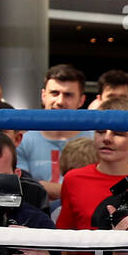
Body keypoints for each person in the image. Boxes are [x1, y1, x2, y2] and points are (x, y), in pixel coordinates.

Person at [56, 97, 128, 255]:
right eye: (100, 131)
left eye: (118, 133)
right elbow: (63, 240)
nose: (107, 138)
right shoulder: (74, 179)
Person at [17, 64, 92, 201]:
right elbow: (22, 188)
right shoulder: (23, 140)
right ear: (43, 96)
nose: (60, 101)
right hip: (33, 220)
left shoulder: (95, 140)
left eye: (68, 95)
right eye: (54, 93)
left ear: (81, 100)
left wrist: (41, 186)